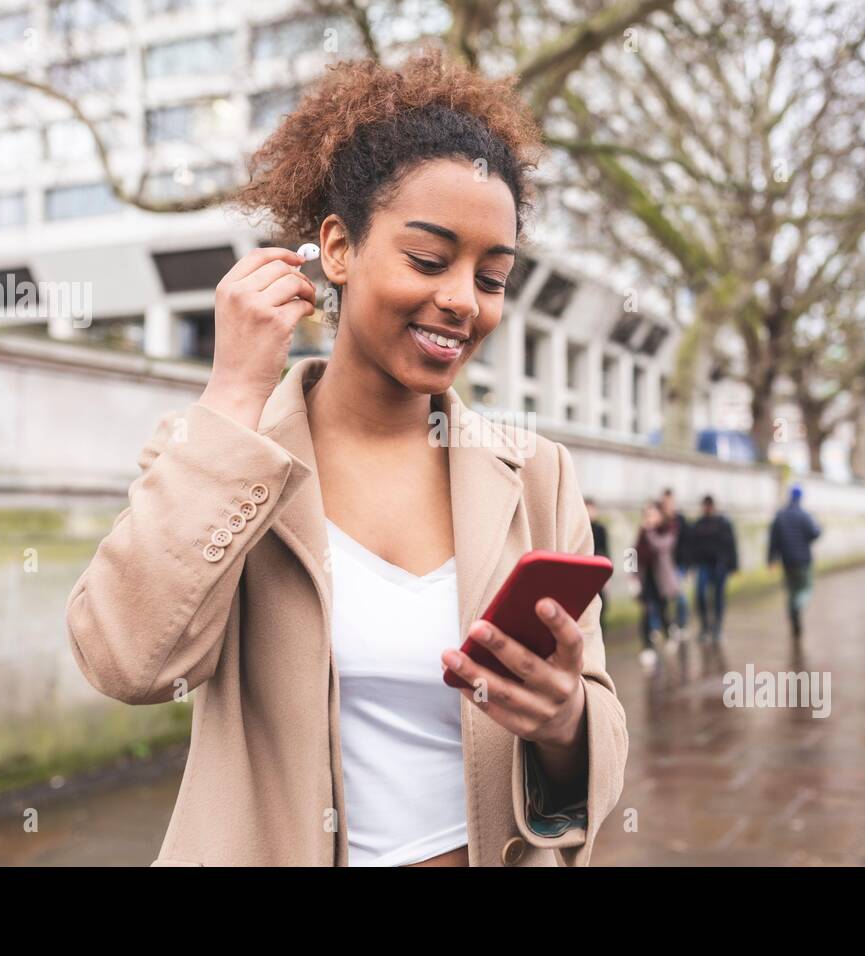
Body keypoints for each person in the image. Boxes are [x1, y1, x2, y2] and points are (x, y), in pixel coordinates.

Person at [65, 50, 628, 867]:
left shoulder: (535, 473)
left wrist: (564, 719)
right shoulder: (221, 451)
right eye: (429, 260)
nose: (464, 300)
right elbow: (127, 661)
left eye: (493, 276)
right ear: (337, 247)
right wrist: (230, 399)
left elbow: (601, 738)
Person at [767, 483, 822, 641]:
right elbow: (814, 533)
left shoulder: (780, 515)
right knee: (806, 589)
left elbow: (773, 540)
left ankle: (793, 619)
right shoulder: (804, 515)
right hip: (803, 560)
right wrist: (820, 528)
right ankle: (798, 606)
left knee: (791, 591)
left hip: (787, 561)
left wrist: (771, 559)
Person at [633, 499, 681, 669]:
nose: (650, 518)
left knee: (662, 611)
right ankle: (647, 648)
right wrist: (631, 576)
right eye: (647, 515)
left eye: (653, 514)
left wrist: (650, 531)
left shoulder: (668, 530)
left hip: (662, 580)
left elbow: (662, 547)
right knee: (646, 613)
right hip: (647, 580)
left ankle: (669, 634)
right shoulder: (642, 533)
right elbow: (632, 553)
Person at [689, 494, 739, 642]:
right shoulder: (699, 524)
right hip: (704, 566)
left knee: (718, 598)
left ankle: (717, 627)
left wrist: (733, 565)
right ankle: (705, 626)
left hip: (719, 565)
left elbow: (731, 545)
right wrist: (692, 564)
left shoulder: (723, 523)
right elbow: (693, 546)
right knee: (701, 595)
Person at [659, 488, 690, 640]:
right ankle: (665, 629)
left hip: (677, 565)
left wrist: (687, 564)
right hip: (660, 568)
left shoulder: (680, 520)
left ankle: (681, 624)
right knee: (659, 602)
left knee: (680, 597)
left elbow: (687, 542)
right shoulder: (658, 521)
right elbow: (633, 549)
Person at [586, 498, 610, 633]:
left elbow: (606, 551)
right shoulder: (581, 528)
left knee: (601, 605)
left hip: (598, 571)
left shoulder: (601, 529)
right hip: (585, 572)